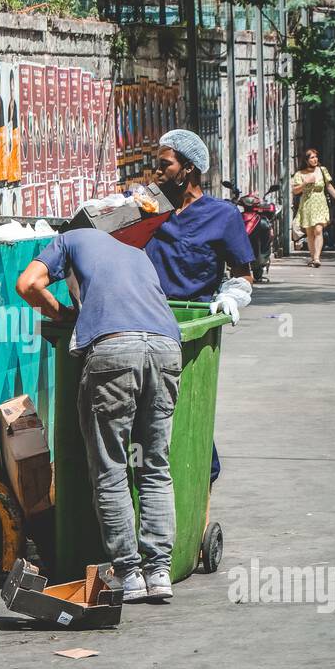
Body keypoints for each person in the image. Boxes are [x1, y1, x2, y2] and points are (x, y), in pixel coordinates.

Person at [16, 228, 183, 602]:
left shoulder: (69, 239)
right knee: (155, 465)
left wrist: (61, 314)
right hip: (166, 347)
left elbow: (27, 284)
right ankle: (159, 572)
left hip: (114, 350)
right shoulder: (137, 253)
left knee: (111, 468)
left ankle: (129, 573)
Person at [144, 129, 255, 484]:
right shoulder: (148, 208)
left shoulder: (222, 215)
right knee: (148, 413)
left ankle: (202, 480)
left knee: (186, 408)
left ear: (188, 168)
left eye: (165, 165)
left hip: (191, 328)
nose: (157, 172)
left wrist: (230, 297)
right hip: (144, 321)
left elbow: (243, 275)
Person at [292, 147, 335, 267]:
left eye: (316, 157)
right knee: (310, 233)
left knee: (318, 230)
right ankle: (313, 257)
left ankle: (317, 258)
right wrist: (305, 182)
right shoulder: (300, 174)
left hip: (320, 203)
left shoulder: (322, 170)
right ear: (306, 160)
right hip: (307, 204)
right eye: (312, 158)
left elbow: (328, 186)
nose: (315, 159)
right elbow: (295, 191)